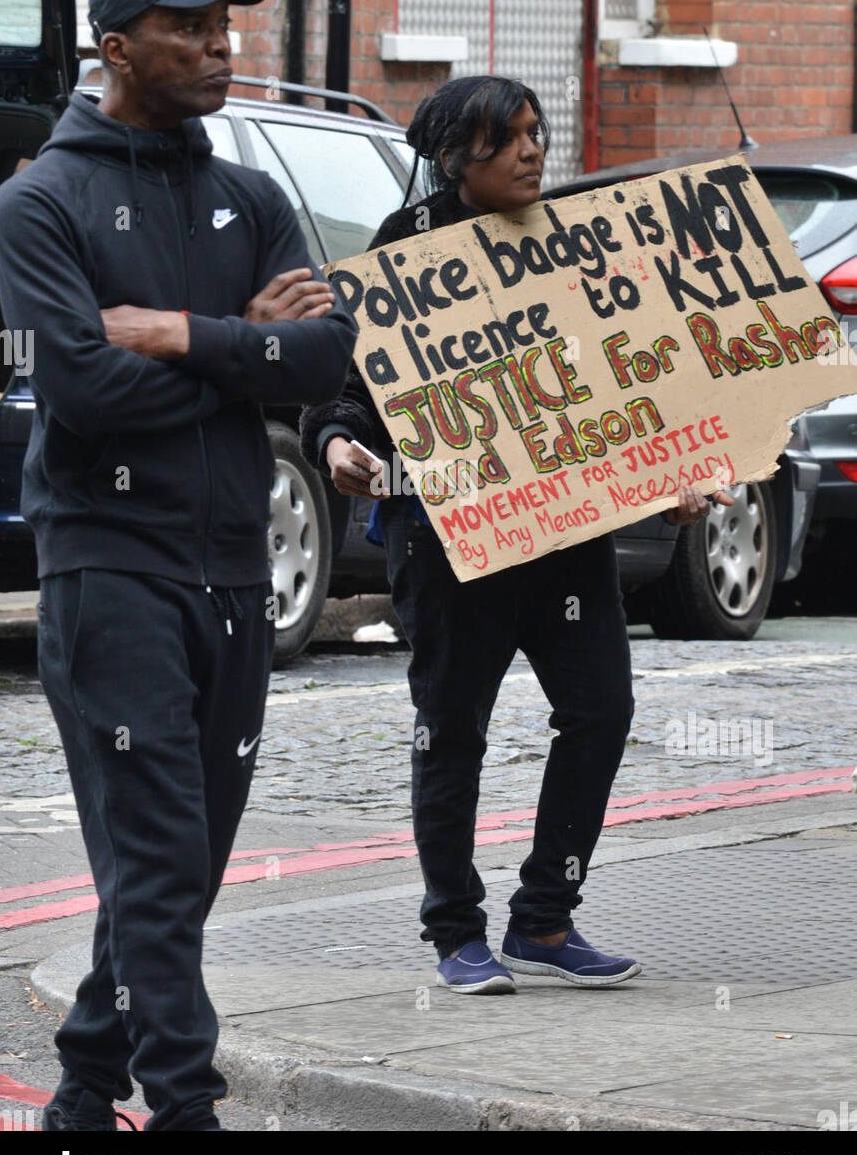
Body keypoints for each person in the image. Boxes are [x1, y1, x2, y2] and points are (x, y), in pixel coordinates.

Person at [0, 0, 356, 1127]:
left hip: (236, 572)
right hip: (109, 566)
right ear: (116, 47)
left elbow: (322, 351)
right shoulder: (40, 200)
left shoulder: (248, 194)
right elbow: (87, 397)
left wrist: (191, 336)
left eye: (225, 26)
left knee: (177, 866)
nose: (218, 47)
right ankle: (186, 1108)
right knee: (156, 858)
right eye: (189, 28)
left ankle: (84, 1097)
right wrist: (240, 342)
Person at [301, 75, 732, 994]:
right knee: (452, 730)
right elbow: (346, 396)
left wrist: (675, 476)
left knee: (601, 711)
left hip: (564, 540)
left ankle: (544, 918)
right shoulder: (405, 250)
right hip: (449, 537)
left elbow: (624, 392)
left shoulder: (575, 241)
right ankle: (455, 932)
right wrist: (338, 441)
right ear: (458, 156)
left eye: (539, 133)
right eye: (512, 139)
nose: (535, 152)